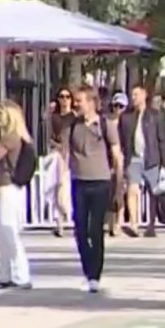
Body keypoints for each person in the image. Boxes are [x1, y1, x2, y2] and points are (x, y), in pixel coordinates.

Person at [66, 86, 124, 293]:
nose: (75, 104)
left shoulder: (105, 124)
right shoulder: (73, 124)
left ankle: (94, 275)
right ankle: (87, 270)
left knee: (95, 229)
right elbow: (66, 152)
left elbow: (117, 154)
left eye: (79, 100)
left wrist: (118, 183)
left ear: (90, 102)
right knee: (80, 229)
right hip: (79, 182)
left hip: (100, 182)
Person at [0, 99, 34, 290]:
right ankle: (5, 275)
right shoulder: (9, 137)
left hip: (7, 187)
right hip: (2, 187)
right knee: (1, 233)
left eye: (0, 113)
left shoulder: (11, 137)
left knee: (9, 231)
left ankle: (21, 276)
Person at [119, 85, 165, 237]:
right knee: (132, 189)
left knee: (153, 192)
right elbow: (122, 140)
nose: (133, 97)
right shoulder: (126, 117)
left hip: (151, 158)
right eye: (132, 94)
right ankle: (134, 224)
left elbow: (162, 140)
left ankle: (151, 225)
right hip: (133, 157)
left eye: (136, 94)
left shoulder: (155, 116)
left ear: (144, 95)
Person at [48, 87, 76, 238]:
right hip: (58, 154)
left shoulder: (74, 117)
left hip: (73, 155)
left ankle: (68, 215)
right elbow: (50, 137)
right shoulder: (55, 118)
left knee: (68, 188)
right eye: (61, 96)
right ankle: (60, 221)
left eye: (67, 97)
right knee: (58, 187)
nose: (64, 100)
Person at [105, 91, 129, 238]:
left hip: (123, 160)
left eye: (121, 106)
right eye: (115, 106)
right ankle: (110, 223)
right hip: (108, 161)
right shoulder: (107, 123)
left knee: (120, 191)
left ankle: (118, 222)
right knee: (109, 192)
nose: (118, 109)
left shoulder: (127, 124)